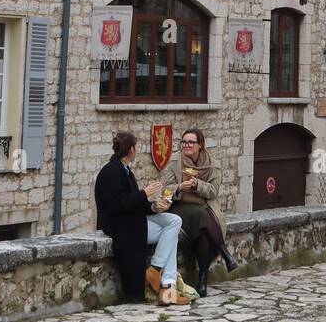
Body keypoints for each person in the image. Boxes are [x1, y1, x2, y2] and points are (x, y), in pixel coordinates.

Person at [95, 131, 190, 306]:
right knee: (170, 235)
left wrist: (155, 206)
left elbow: (136, 202)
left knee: (174, 221)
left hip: (134, 219)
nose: (136, 150)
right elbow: (116, 205)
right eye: (135, 147)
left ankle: (155, 270)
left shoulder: (124, 170)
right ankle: (167, 288)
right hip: (123, 226)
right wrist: (144, 193)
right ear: (131, 150)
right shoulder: (111, 172)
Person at [162, 128, 238, 297]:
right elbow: (165, 190)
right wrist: (180, 187)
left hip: (204, 205)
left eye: (191, 142)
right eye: (184, 142)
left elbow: (213, 191)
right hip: (179, 206)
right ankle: (226, 254)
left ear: (200, 145)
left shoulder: (212, 164)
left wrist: (197, 184)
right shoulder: (175, 161)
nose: (186, 145)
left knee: (204, 232)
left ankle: (202, 280)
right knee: (201, 215)